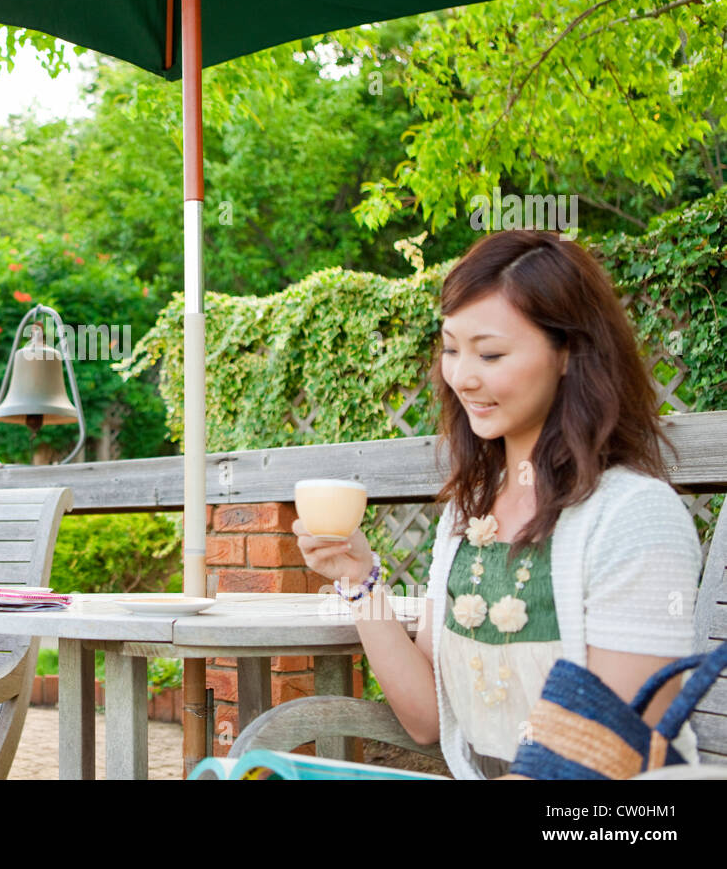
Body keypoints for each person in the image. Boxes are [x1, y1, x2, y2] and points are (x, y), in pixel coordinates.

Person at [296, 230, 703, 779]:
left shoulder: (633, 517)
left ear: (568, 354)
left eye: (490, 353)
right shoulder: (468, 515)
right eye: (451, 348)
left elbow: (611, 755)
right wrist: (359, 580)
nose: (463, 376)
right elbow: (424, 720)